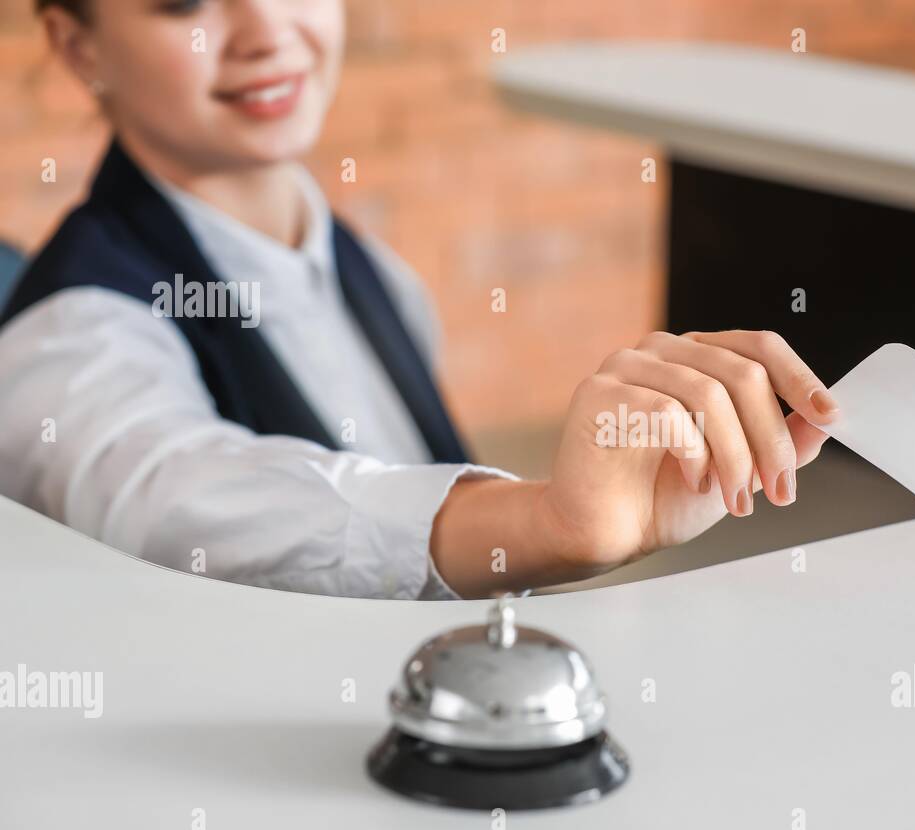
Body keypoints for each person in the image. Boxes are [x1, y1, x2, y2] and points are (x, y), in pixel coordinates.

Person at [0, 0, 840, 599]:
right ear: (79, 48)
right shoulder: (70, 332)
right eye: (185, 3)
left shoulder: (374, 270)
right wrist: (536, 521)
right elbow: (173, 498)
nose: (266, 29)